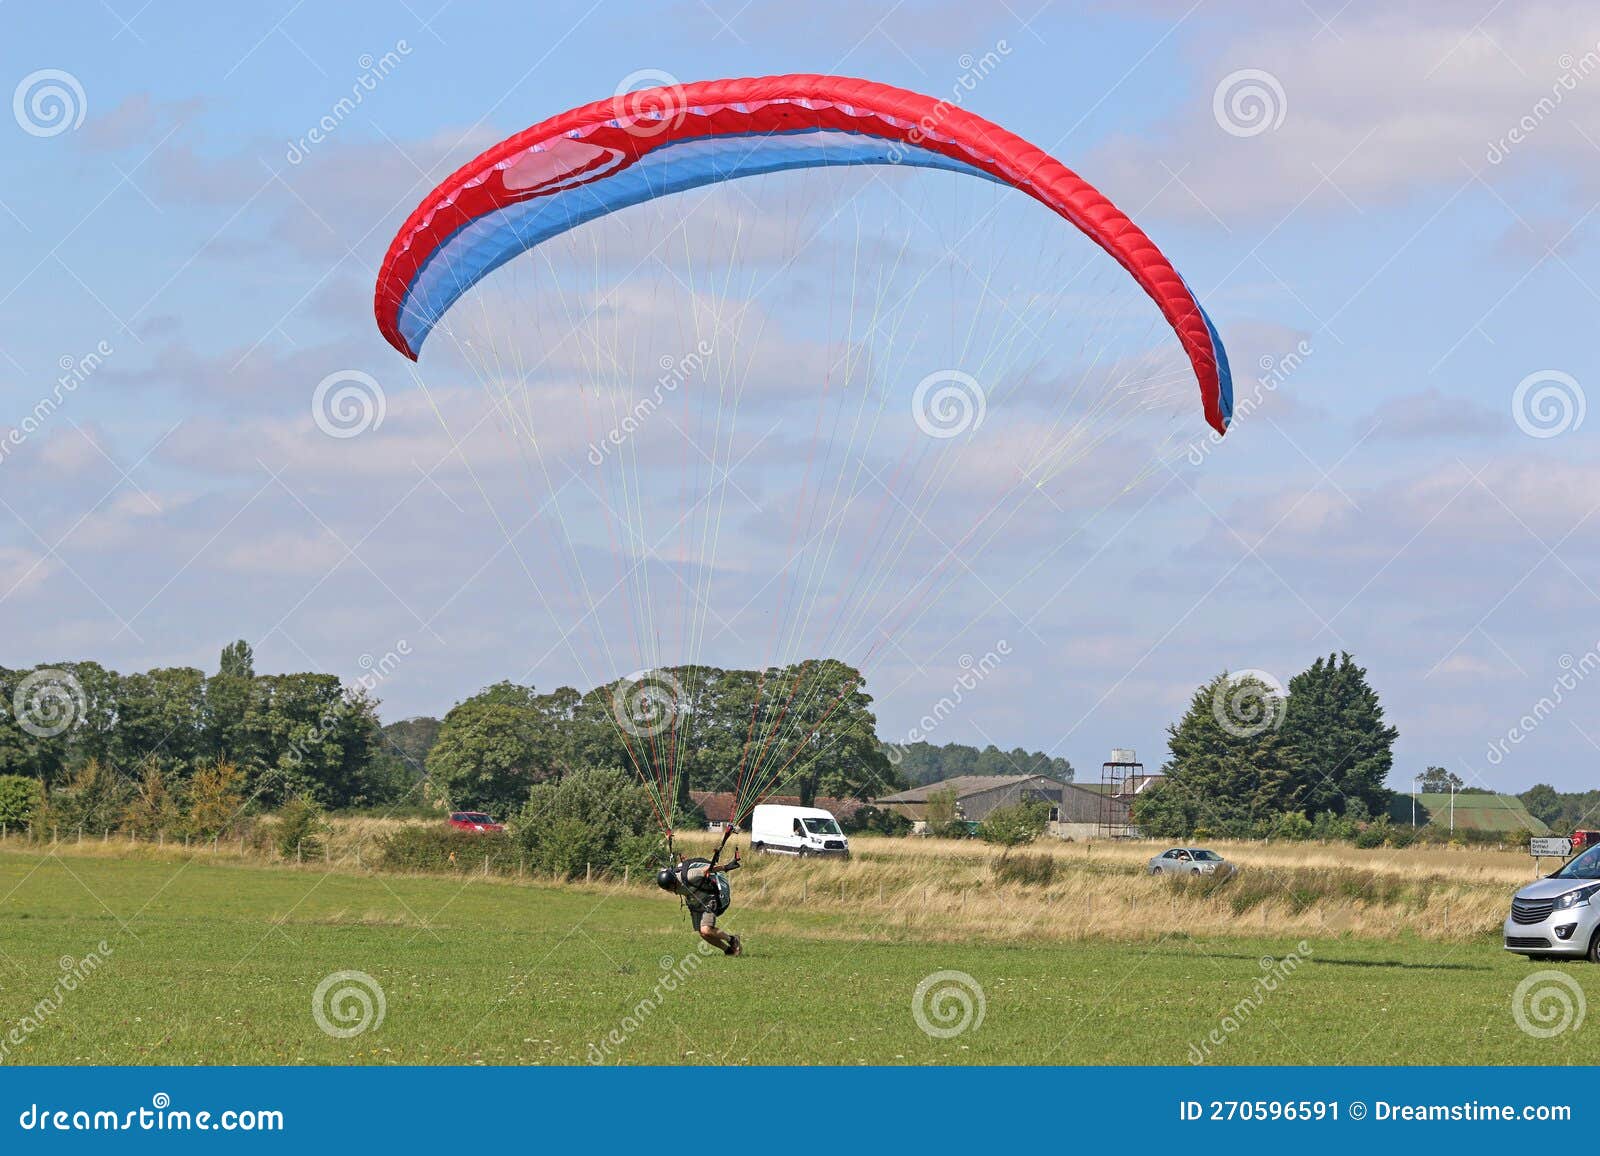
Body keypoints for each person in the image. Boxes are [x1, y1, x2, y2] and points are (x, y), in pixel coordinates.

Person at [657, 852, 742, 955]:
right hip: (695, 903)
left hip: (709, 899)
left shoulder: (690, 876)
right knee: (703, 933)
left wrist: (726, 867)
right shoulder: (670, 883)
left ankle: (732, 939)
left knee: (706, 929)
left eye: (670, 888)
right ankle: (728, 951)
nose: (670, 891)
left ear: (673, 881)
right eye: (667, 889)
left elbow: (707, 869)